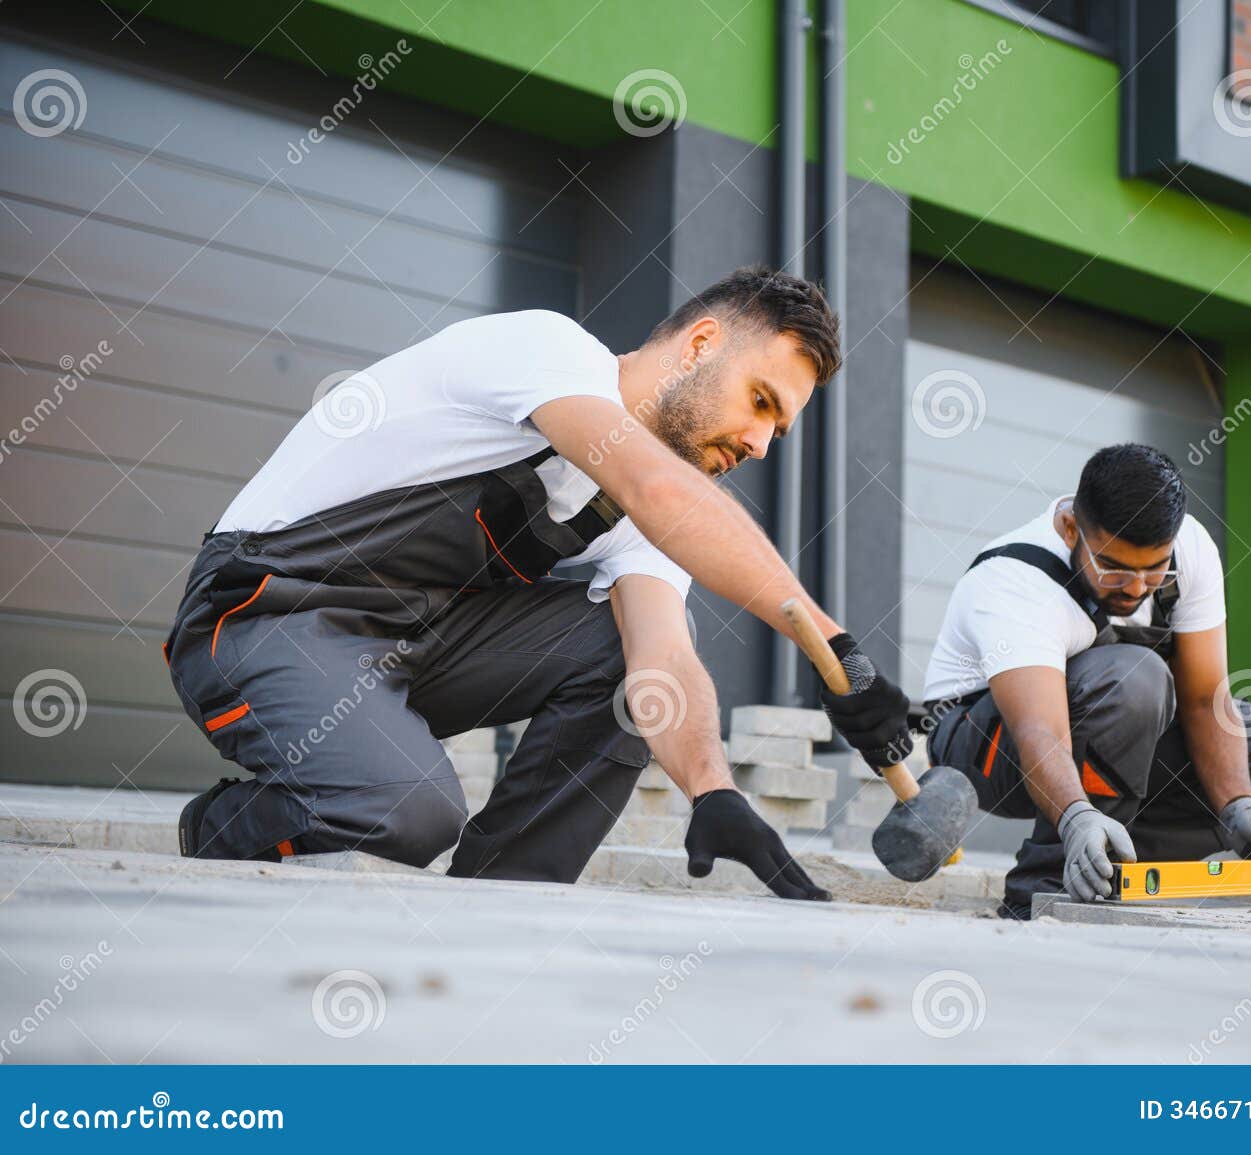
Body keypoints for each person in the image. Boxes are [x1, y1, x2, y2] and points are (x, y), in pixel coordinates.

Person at [163, 266, 912, 900]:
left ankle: (503, 899)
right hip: (267, 611)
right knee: (404, 814)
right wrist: (836, 646)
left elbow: (663, 661)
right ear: (702, 345)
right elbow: (657, 490)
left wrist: (715, 790)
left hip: (405, 645)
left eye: (778, 430)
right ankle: (221, 829)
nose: (759, 442)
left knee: (626, 653)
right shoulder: (549, 351)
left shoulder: (652, 503)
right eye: (760, 402)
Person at [921, 443, 1251, 918]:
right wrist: (1074, 817)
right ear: (1073, 528)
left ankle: (1112, 864)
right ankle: (1047, 882)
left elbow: (1203, 700)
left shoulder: (1190, 549)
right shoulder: (1016, 579)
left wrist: (1240, 809)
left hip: (1109, 736)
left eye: (1153, 569)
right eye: (1114, 569)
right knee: (1136, 676)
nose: (1136, 588)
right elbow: (1040, 728)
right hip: (985, 745)